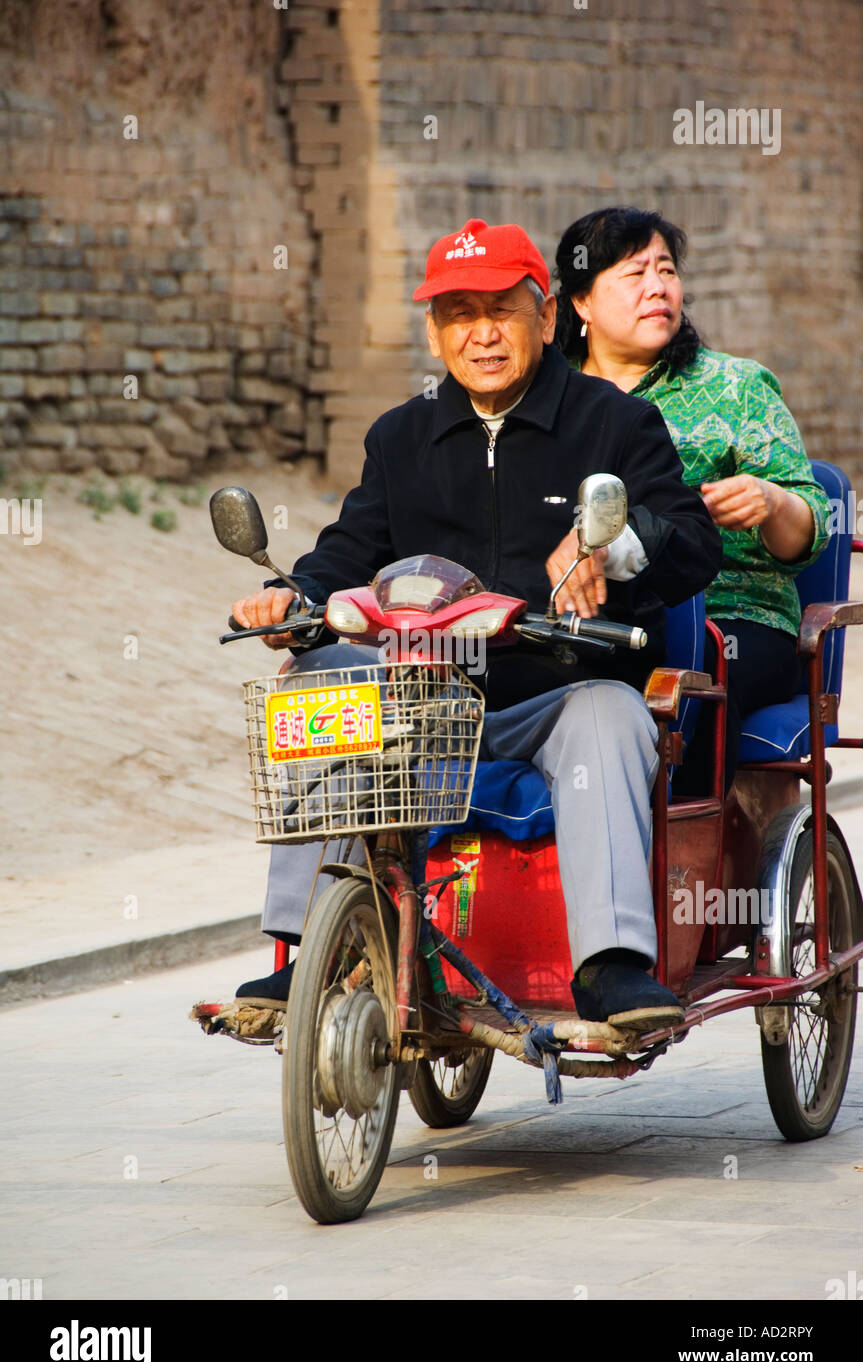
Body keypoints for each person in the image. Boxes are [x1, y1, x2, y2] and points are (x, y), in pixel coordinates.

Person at [230, 217, 722, 1030]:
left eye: (501, 308)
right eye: (458, 313)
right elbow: (352, 547)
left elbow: (692, 544)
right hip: (422, 696)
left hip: (554, 697)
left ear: (547, 317)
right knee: (318, 680)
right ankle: (312, 945)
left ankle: (609, 966)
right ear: (433, 330)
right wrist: (295, 601)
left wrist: (614, 547)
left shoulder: (613, 423)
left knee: (610, 716)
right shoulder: (401, 436)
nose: (482, 334)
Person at [554, 206, 830, 795]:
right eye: (634, 274)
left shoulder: (736, 389)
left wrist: (773, 502)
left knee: (694, 678)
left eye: (667, 270)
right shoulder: (550, 396)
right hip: (588, 615)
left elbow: (811, 529)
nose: (658, 287)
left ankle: (678, 861)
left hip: (733, 619)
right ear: (581, 304)